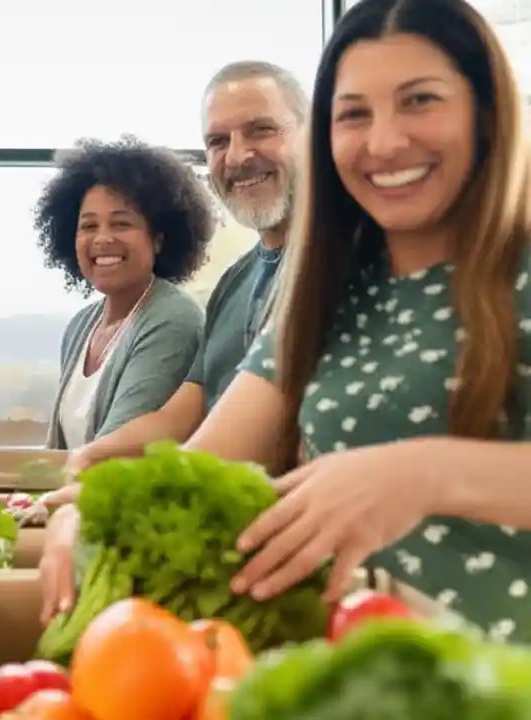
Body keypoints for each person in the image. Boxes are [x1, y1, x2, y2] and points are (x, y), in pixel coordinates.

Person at [190, 0, 531, 642]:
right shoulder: (329, 291)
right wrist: (89, 514)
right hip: (364, 679)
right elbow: (200, 468)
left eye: (420, 101)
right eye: (354, 115)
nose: (384, 142)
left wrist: (421, 473)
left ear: (486, 115)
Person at [36, 62, 309, 621]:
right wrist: (97, 456)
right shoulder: (236, 282)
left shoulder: (329, 268)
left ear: (312, 133)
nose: (237, 155)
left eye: (261, 129)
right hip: (227, 560)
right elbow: (189, 409)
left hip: (291, 560)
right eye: (217, 141)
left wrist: (120, 497)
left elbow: (268, 429)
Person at [37, 137, 213, 451]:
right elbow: (59, 455)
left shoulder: (172, 318)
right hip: (76, 495)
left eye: (121, 223)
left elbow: (116, 448)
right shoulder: (81, 325)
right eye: (88, 226)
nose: (102, 238)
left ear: (158, 238)